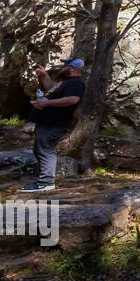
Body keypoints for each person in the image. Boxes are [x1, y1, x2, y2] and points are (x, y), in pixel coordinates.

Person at [24, 58, 86, 194]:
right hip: (47, 122)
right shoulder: (65, 83)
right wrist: (44, 76)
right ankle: (43, 180)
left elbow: (73, 99)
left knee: (46, 149)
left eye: (65, 66)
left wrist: (46, 104)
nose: (62, 68)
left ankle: (46, 182)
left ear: (73, 69)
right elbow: (51, 89)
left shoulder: (76, 83)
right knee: (40, 149)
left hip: (56, 123)